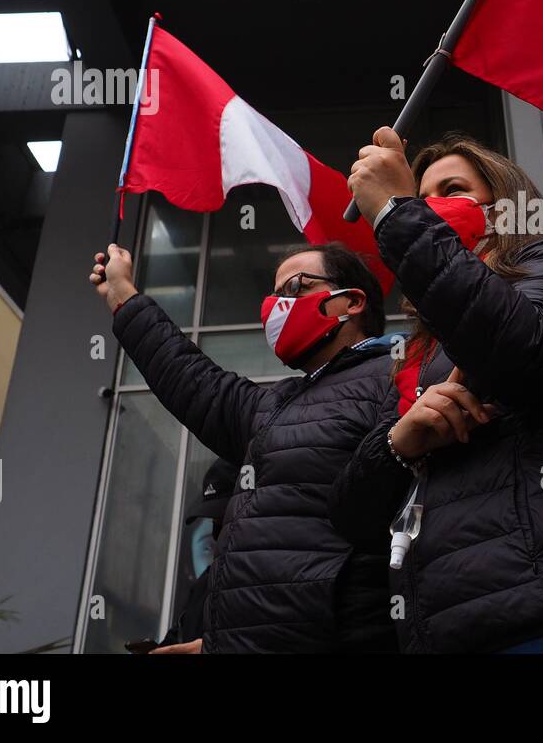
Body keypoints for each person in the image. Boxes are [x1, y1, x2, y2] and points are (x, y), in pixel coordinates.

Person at [328, 129, 543, 653]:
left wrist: (399, 211)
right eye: (422, 200)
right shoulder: (420, 353)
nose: (432, 209)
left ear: (506, 206)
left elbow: (527, 353)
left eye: (452, 190)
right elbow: (352, 516)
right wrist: (399, 443)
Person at [90, 240, 397, 653]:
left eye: (295, 288)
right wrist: (122, 296)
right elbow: (192, 380)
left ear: (351, 302)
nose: (276, 306)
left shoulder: (400, 378)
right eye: (273, 296)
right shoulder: (276, 405)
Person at [153, 458, 239, 651]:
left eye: (225, 521)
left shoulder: (272, 582)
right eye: (207, 546)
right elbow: (178, 637)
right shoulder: (203, 587)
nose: (219, 540)